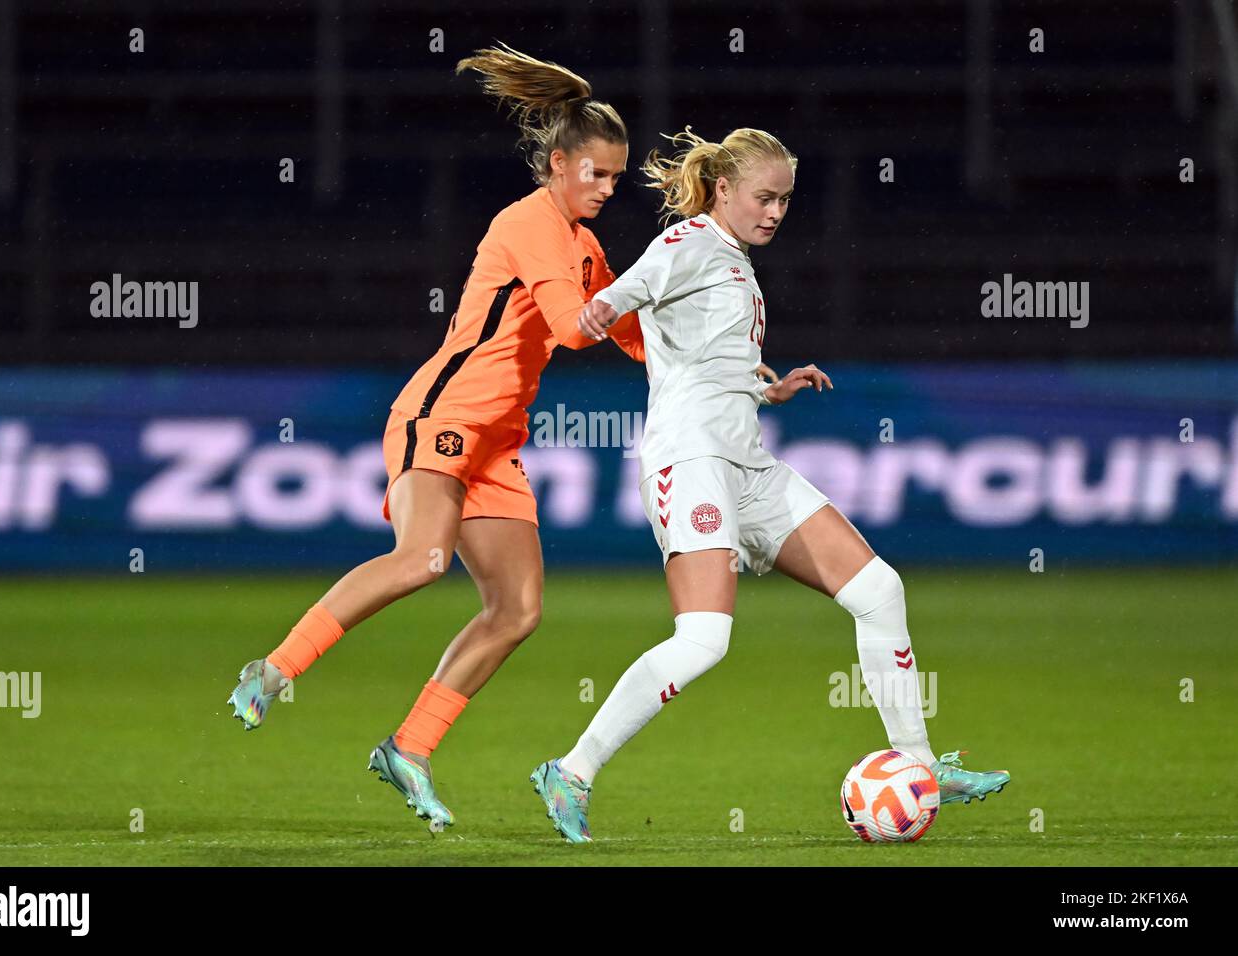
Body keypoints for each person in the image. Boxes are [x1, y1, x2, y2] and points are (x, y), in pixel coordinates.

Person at [530, 126, 1010, 843]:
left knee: (879, 592)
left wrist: (766, 387)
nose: (777, 211)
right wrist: (597, 312)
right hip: (688, 460)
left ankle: (917, 763)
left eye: (786, 199)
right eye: (765, 196)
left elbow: (706, 361)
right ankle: (571, 770)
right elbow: (625, 292)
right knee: (704, 639)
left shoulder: (737, 262)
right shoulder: (690, 241)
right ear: (723, 190)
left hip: (746, 462)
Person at [228, 42, 646, 832]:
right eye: (595, 173)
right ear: (558, 163)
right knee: (422, 559)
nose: (606, 188)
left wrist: (727, 369)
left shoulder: (584, 246)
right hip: (443, 416)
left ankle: (410, 747)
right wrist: (647, 293)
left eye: (617, 178)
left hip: (497, 441)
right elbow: (572, 327)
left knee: (517, 609)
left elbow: (624, 333)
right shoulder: (528, 225)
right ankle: (274, 669)